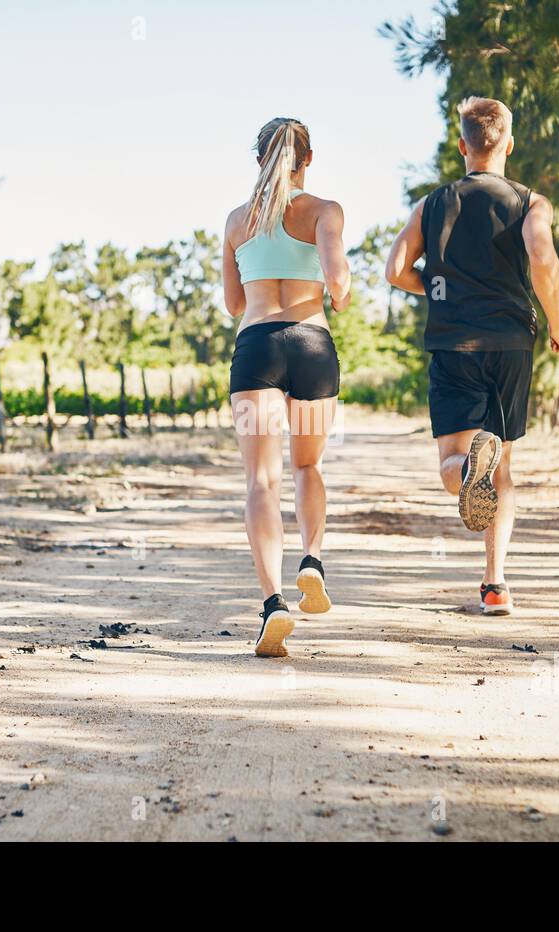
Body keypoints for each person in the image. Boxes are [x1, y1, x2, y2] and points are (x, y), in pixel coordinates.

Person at [385, 95, 559, 616]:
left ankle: (467, 470)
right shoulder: (532, 203)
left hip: (452, 343)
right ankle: (495, 585)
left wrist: (439, 291)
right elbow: (542, 257)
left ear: (462, 145)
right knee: (503, 468)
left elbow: (395, 268)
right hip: (512, 341)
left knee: (453, 460)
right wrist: (556, 323)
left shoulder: (432, 204)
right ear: (508, 144)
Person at [222, 117, 350, 657]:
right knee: (307, 466)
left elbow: (233, 305)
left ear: (258, 160)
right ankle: (312, 561)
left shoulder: (236, 220)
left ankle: (273, 603)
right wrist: (336, 295)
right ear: (309, 158)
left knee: (260, 482)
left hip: (257, 351)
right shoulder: (325, 211)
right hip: (312, 348)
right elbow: (338, 280)